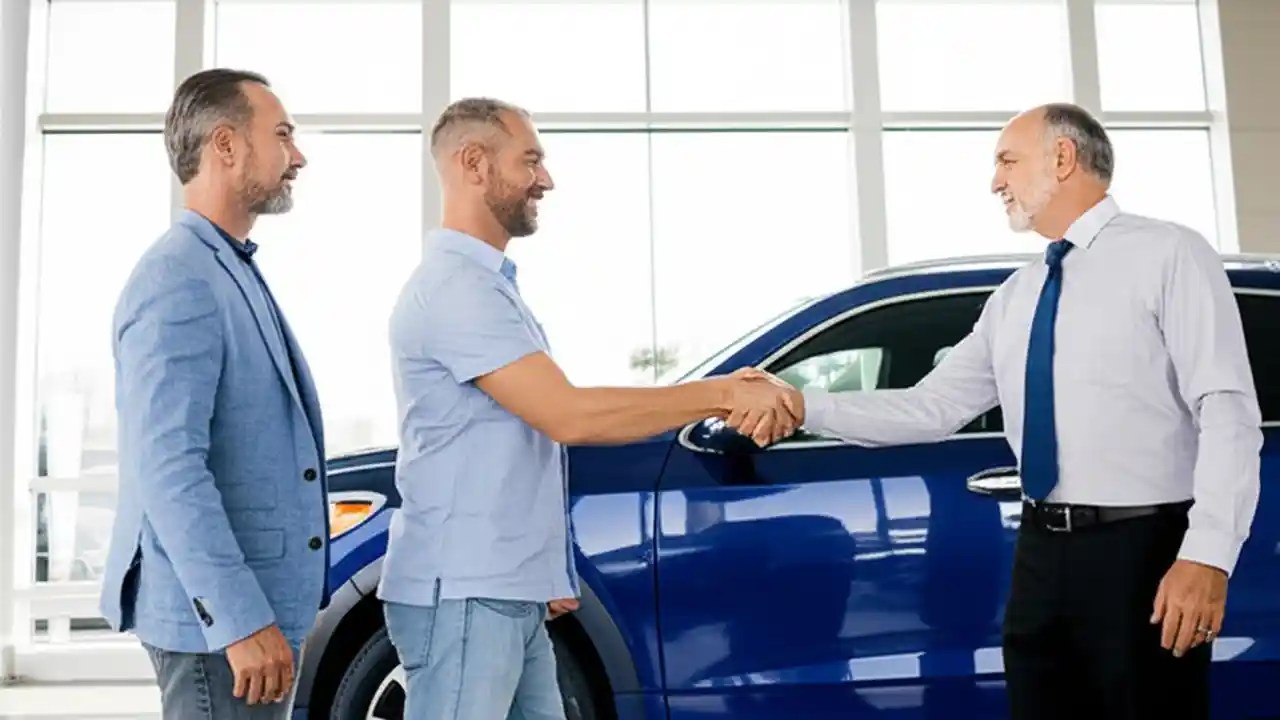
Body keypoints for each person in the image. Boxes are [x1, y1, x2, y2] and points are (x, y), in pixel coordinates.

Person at [742, 103, 1263, 719]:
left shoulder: (1168, 254)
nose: (996, 181)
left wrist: (1205, 555)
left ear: (1063, 158)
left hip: (1142, 550)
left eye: (1008, 161)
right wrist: (802, 404)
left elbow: (1226, 409)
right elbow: (930, 407)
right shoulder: (1017, 296)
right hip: (1041, 551)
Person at [377, 97, 798, 720]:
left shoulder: (488, 287)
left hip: (502, 591)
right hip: (465, 594)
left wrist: (545, 572)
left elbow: (515, 444)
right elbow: (568, 415)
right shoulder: (455, 290)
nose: (545, 179)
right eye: (531, 160)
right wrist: (724, 393)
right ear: (474, 163)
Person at [99, 68, 326, 719]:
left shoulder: (226, 265)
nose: (298, 155)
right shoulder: (178, 277)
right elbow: (168, 467)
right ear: (226, 145)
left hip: (246, 620)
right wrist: (235, 618)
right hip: (220, 633)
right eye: (282, 134)